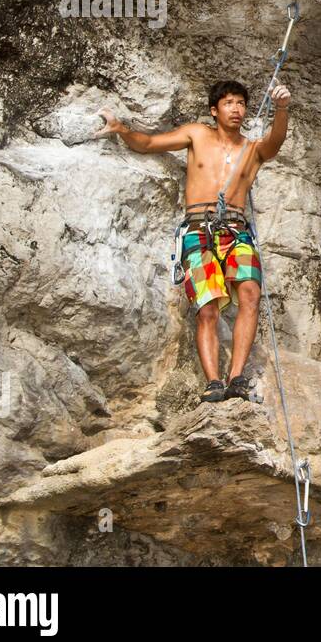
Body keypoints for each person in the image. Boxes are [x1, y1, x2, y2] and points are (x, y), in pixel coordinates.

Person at [94, 80, 291, 404]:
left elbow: (276, 140)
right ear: (214, 110)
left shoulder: (253, 150)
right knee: (207, 307)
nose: (236, 109)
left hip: (236, 230)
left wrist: (281, 108)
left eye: (241, 103)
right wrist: (121, 129)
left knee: (250, 294)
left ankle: (237, 377)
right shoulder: (197, 135)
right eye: (228, 102)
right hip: (199, 229)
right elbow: (148, 143)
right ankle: (214, 381)